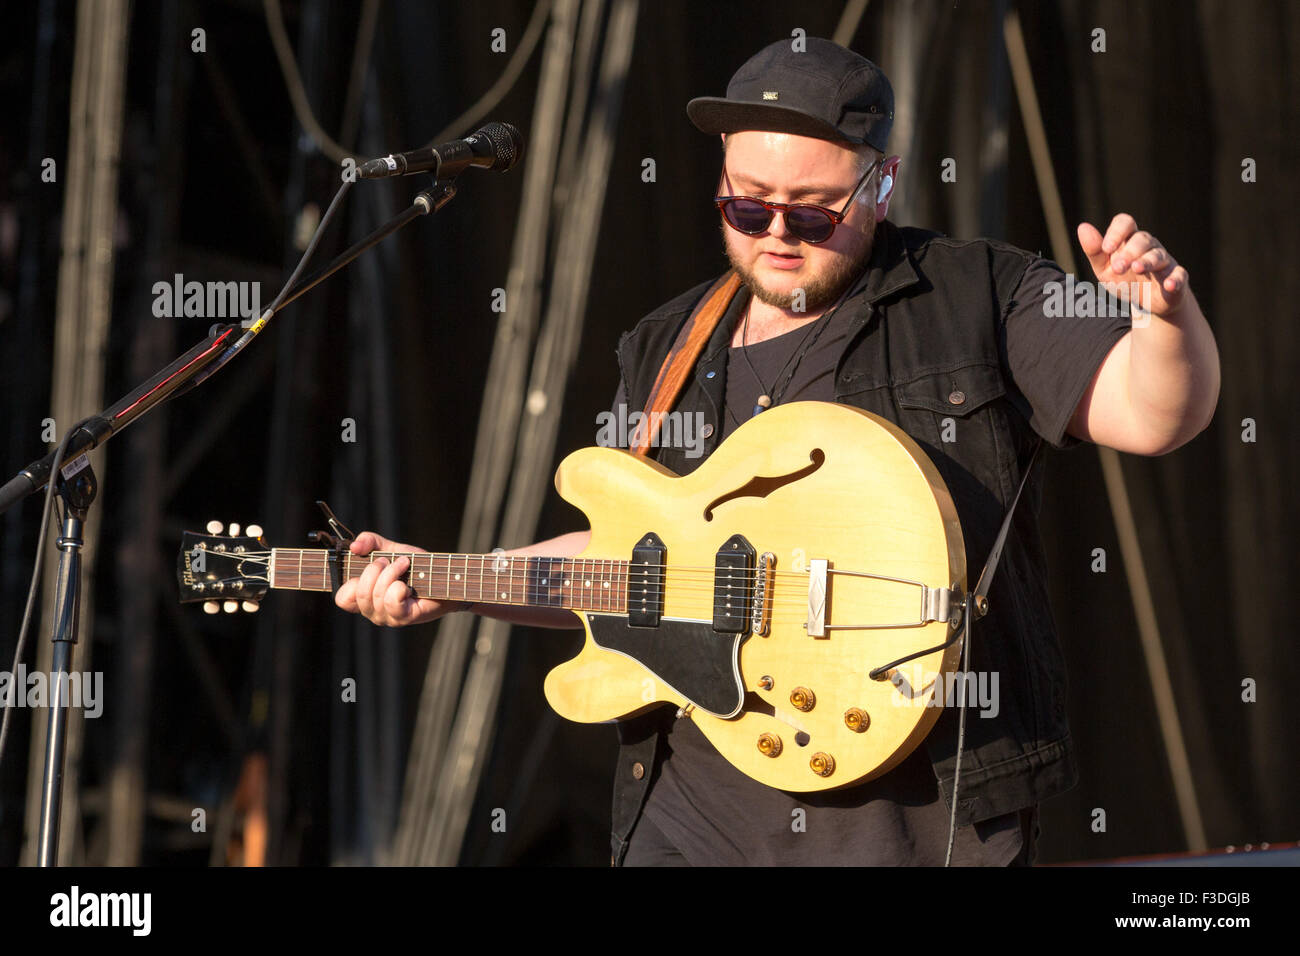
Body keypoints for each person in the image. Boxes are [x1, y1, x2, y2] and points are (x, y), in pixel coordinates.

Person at [335, 38, 1220, 866]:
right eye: (746, 205)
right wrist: (451, 578)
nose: (776, 234)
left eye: (814, 212)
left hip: (910, 823)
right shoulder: (666, 345)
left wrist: (1167, 318)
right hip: (690, 819)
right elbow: (629, 562)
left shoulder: (979, 293)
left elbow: (1155, 416)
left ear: (883, 184)